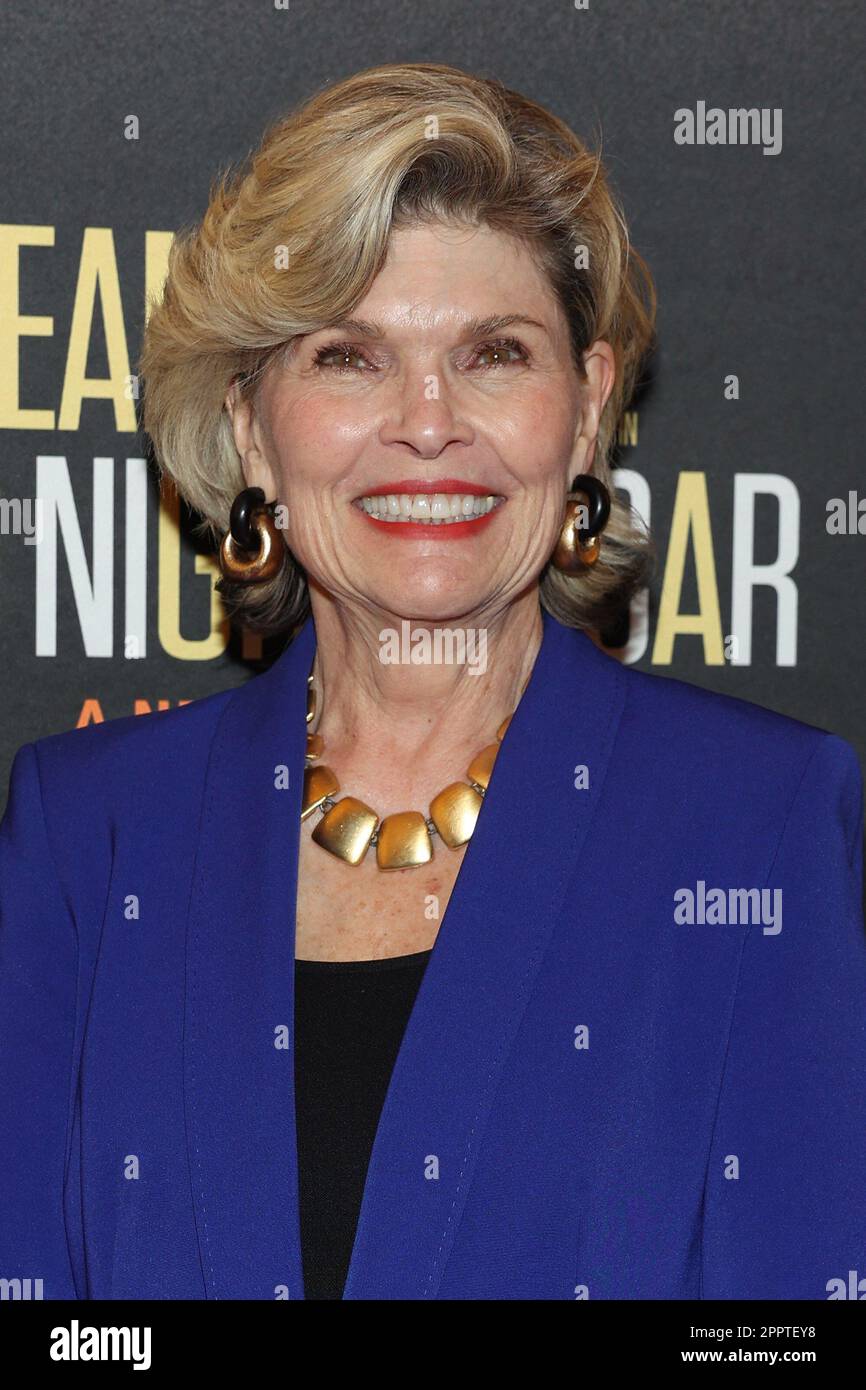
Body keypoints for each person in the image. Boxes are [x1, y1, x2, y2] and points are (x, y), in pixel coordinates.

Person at [1, 62, 864, 1301]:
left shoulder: (750, 820)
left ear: (582, 413)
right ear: (252, 425)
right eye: (349, 356)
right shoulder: (89, 836)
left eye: (493, 354)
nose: (425, 422)